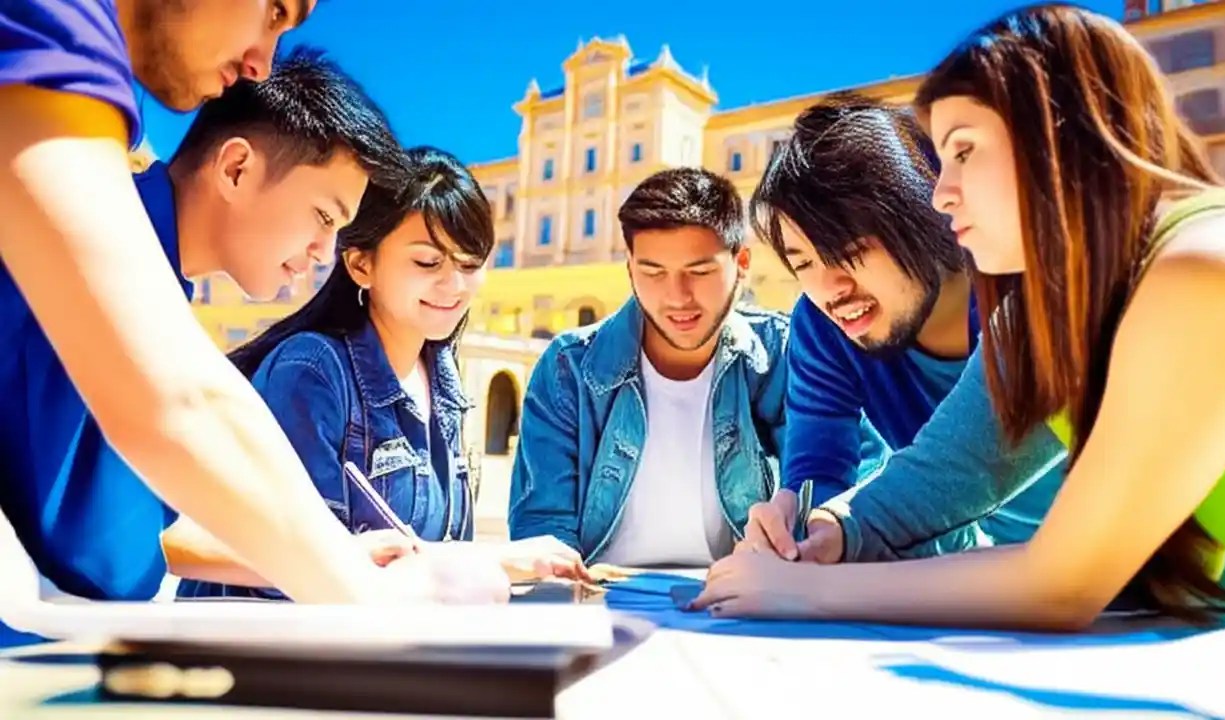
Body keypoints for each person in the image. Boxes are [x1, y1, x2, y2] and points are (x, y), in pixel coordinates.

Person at [695, 4, 1225, 629]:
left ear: (1062, 138)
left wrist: (801, 592)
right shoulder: (1050, 312)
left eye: (964, 151)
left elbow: (1063, 583)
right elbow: (953, 469)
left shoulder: (1211, 265)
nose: (941, 195)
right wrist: (831, 530)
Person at [0, 0, 443, 607]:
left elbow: (140, 525)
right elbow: (180, 403)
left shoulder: (160, 281)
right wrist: (369, 602)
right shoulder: (49, 38)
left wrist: (323, 551)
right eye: (274, 12)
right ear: (235, 168)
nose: (322, 254)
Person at [166, 146, 586, 601]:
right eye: (428, 262)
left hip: (381, 642)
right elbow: (297, 561)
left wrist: (505, 559)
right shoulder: (312, 372)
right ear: (361, 264)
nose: (455, 285)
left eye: (470, 264)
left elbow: (416, 555)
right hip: (265, 649)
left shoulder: (444, 380)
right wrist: (493, 562)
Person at [739, 91, 1064, 564]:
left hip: (1117, 569)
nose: (830, 287)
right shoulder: (821, 324)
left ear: (921, 214)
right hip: (970, 563)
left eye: (848, 250)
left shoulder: (1031, 294)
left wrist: (844, 527)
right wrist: (798, 521)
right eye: (803, 262)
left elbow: (964, 468)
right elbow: (818, 472)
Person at [508, 167, 789, 567]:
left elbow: (847, 482)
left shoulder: (782, 354)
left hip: (745, 601)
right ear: (629, 267)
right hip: (600, 603)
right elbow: (542, 527)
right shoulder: (567, 368)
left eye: (700, 271)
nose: (678, 297)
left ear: (741, 262)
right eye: (653, 272)